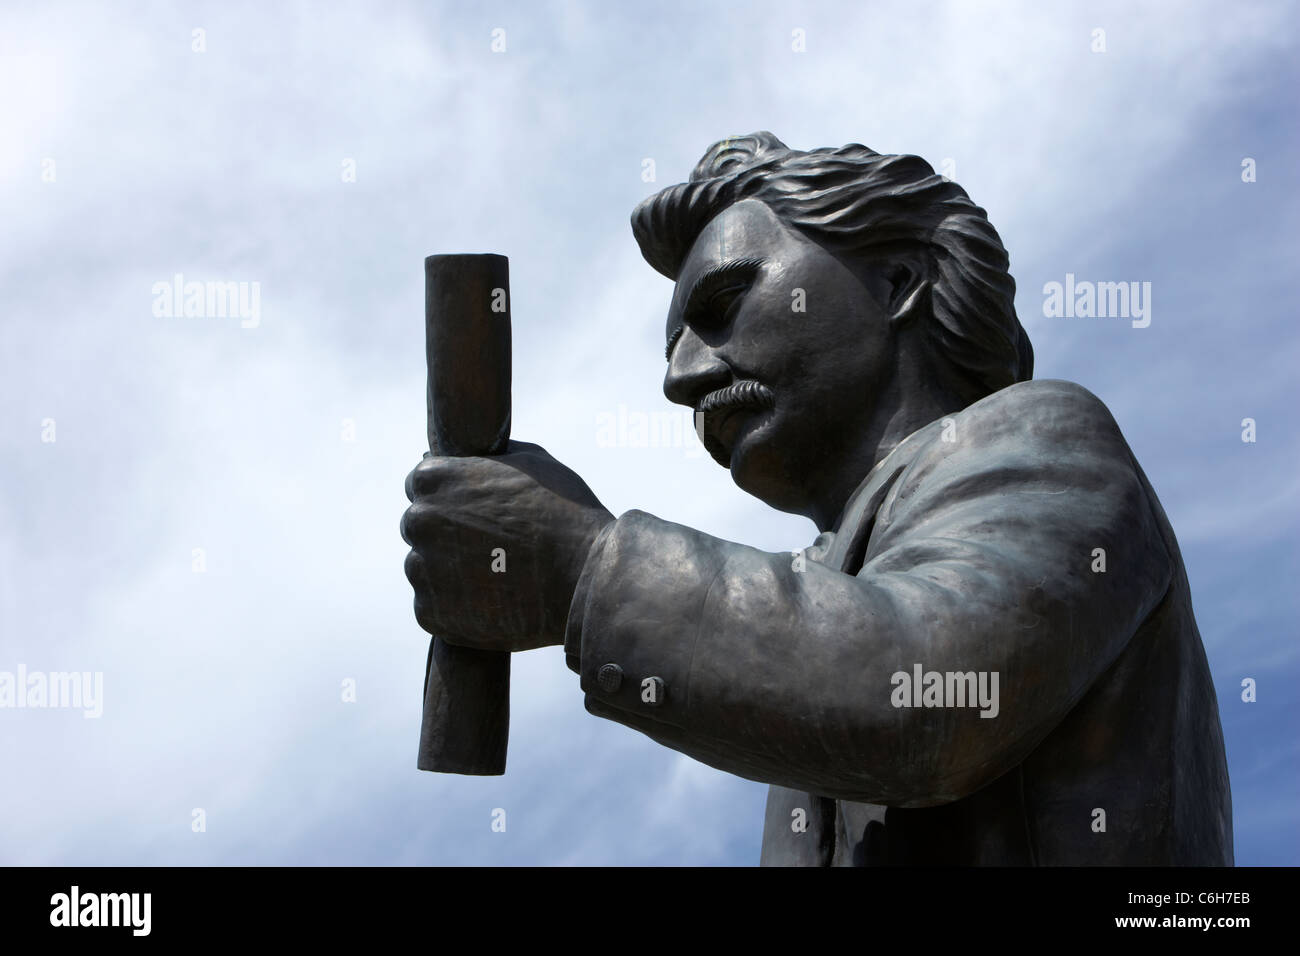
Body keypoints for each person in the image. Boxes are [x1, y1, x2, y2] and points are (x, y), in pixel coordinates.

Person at [401, 132, 1233, 865]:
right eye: (678, 344)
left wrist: (583, 570)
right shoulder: (824, 600)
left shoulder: (1050, 439)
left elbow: (927, 690)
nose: (681, 377)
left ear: (897, 279)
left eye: (724, 306)